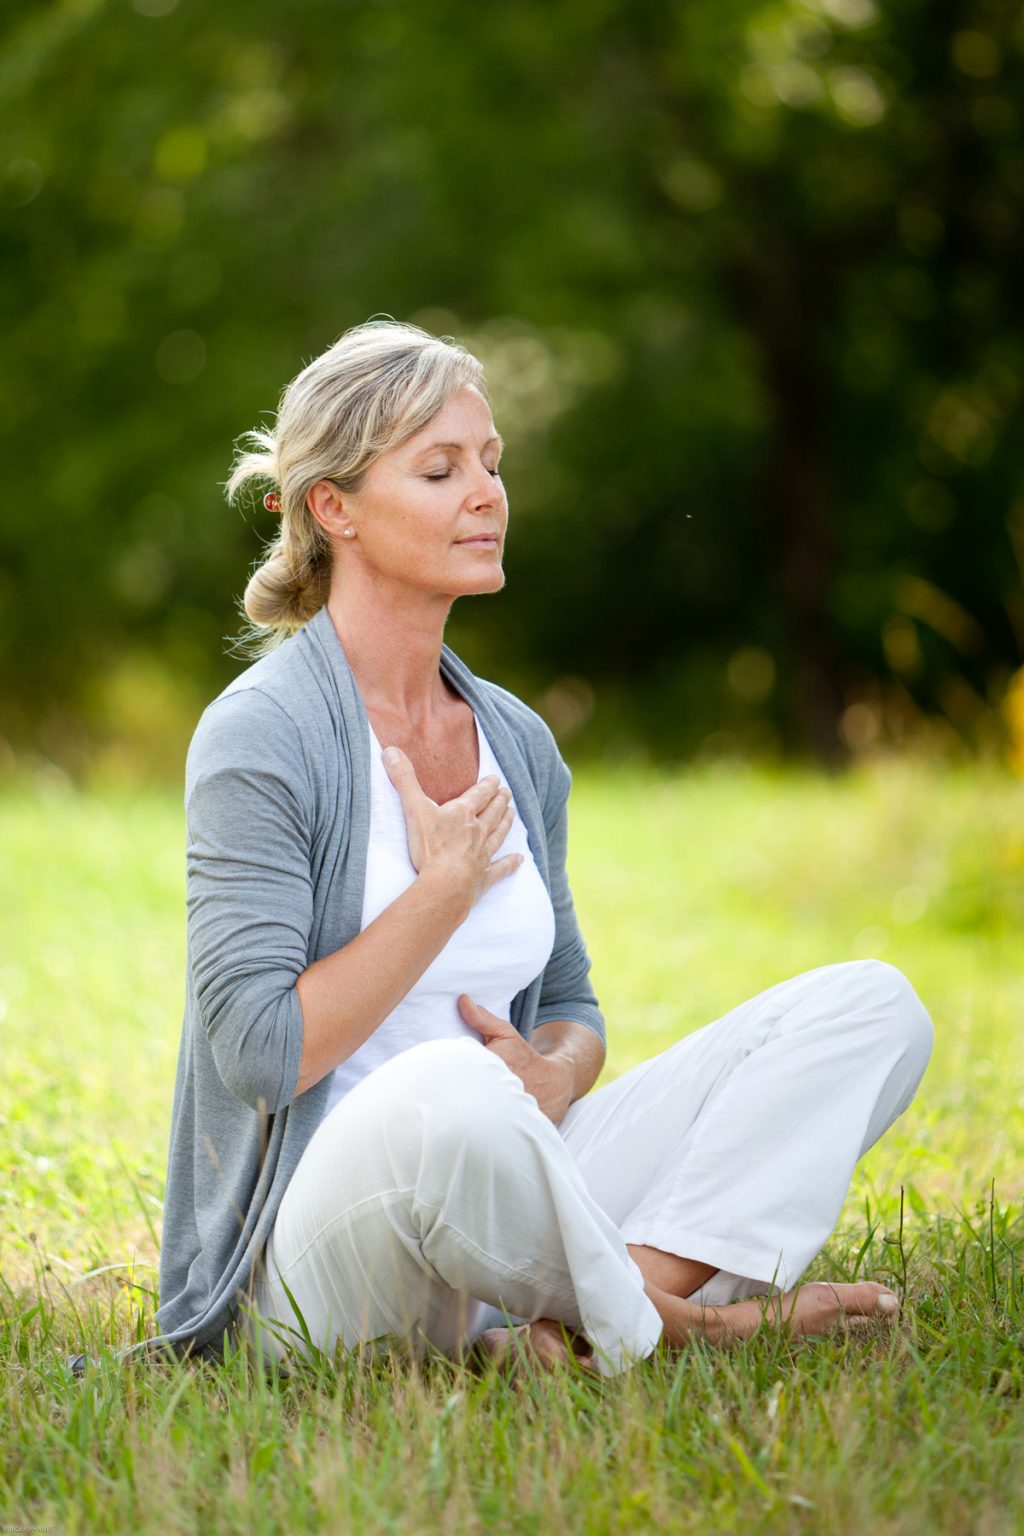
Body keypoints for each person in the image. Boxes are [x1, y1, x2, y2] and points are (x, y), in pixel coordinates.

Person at [151, 319, 933, 1377]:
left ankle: (585, 1324)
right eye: (439, 469)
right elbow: (257, 1053)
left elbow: (570, 1005)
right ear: (333, 508)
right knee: (452, 1090)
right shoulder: (263, 735)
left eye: (489, 462)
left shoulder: (513, 739)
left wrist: (556, 1075)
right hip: (325, 1257)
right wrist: (439, 895)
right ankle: (681, 1324)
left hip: (509, 1194)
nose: (485, 492)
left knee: (870, 1006)